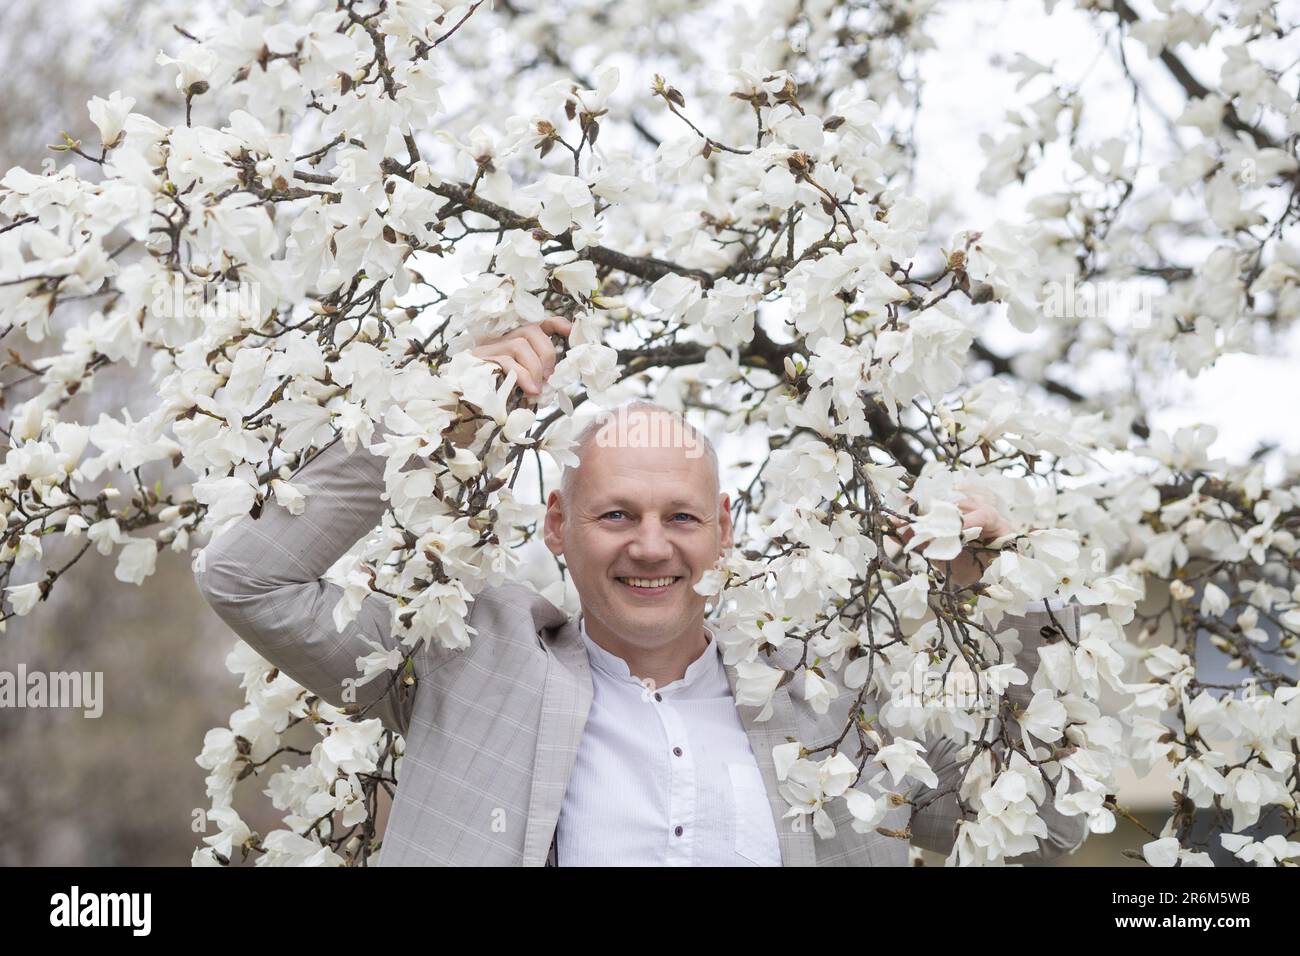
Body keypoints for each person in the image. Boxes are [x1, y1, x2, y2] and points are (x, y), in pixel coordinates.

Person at [194, 317, 1088, 866]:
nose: (651, 547)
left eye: (681, 519)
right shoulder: (470, 665)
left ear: (724, 529)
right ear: (557, 526)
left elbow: (1045, 827)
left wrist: (1019, 596)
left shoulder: (830, 701)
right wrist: (435, 419)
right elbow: (249, 578)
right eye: (616, 514)